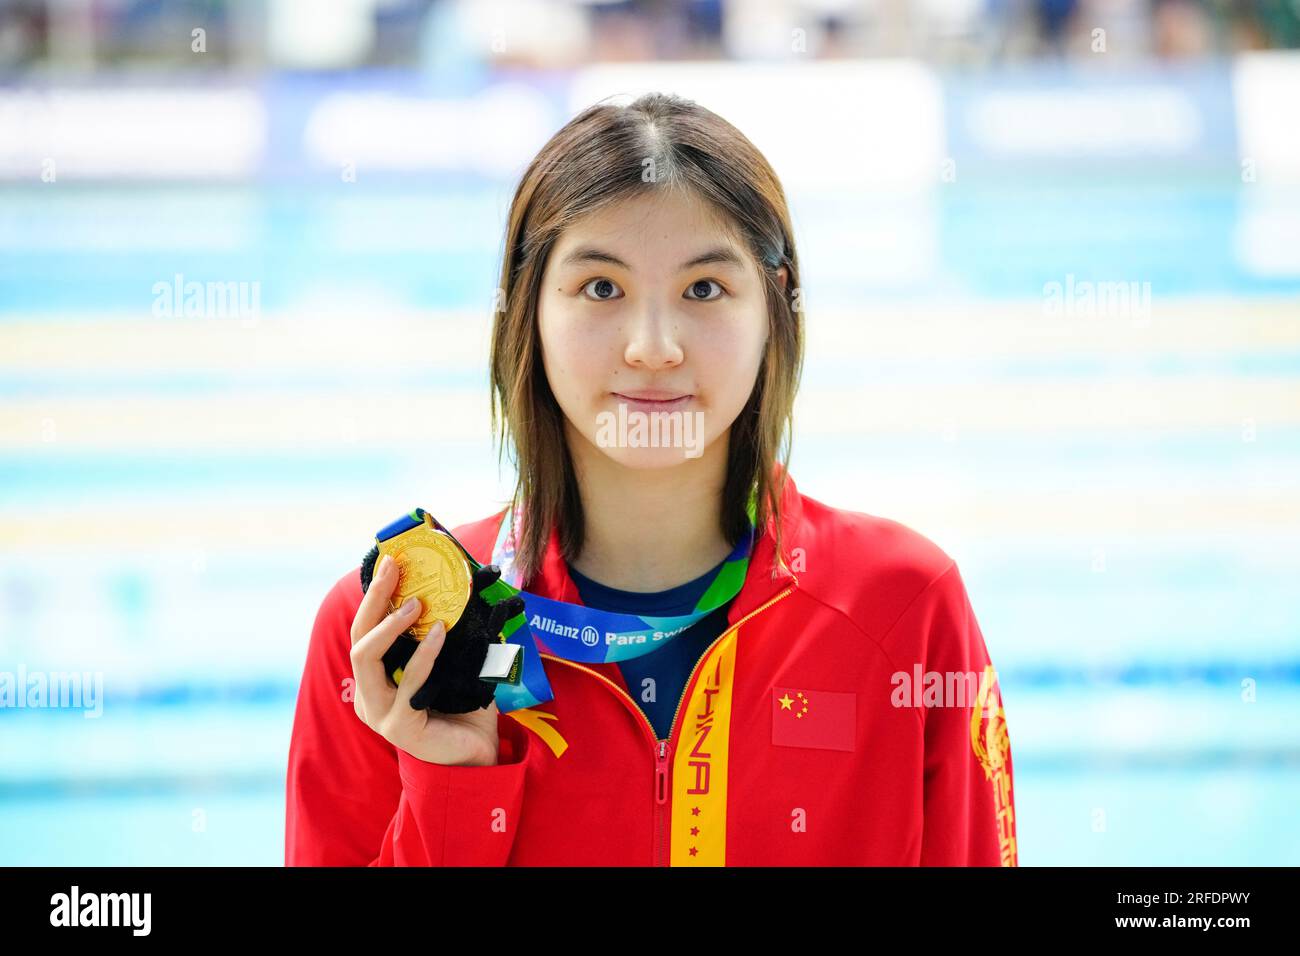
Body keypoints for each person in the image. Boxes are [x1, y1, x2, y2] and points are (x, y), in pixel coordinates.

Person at [285, 92, 1018, 867]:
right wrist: (453, 787)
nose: (653, 346)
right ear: (527, 312)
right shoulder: (391, 629)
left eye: (704, 289)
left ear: (775, 310)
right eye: (602, 287)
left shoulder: (903, 606)